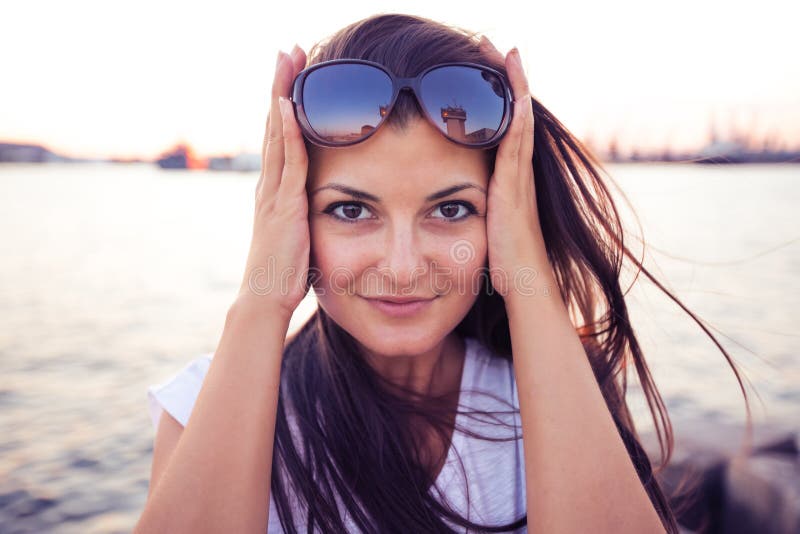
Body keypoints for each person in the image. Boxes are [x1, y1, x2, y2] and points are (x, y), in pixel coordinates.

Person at [134, 13, 751, 534]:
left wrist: (528, 282)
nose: (402, 267)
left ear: (500, 218)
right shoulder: (201, 409)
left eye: (450, 209)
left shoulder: (561, 385)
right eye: (350, 210)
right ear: (292, 215)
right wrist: (261, 299)